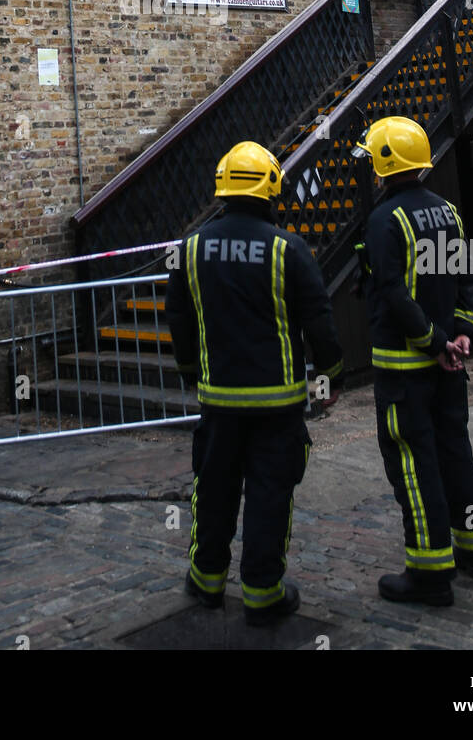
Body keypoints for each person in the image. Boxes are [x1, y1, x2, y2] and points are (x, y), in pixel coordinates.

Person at [166, 140, 344, 626]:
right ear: (271, 187)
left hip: (218, 399)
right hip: (277, 404)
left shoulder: (191, 248)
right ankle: (264, 593)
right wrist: (330, 374)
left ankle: (205, 580)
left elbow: (178, 317)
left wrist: (189, 371)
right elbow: (319, 320)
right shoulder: (289, 248)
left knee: (214, 487)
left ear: (222, 187)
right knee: (270, 492)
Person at [352, 115, 473, 606]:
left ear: (386, 166)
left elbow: (391, 292)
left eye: (373, 159)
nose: (369, 167)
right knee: (456, 450)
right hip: (450, 366)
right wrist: (463, 334)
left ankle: (430, 573)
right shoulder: (449, 213)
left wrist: (434, 342)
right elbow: (469, 277)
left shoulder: (384, 220)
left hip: (405, 372)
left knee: (414, 464)